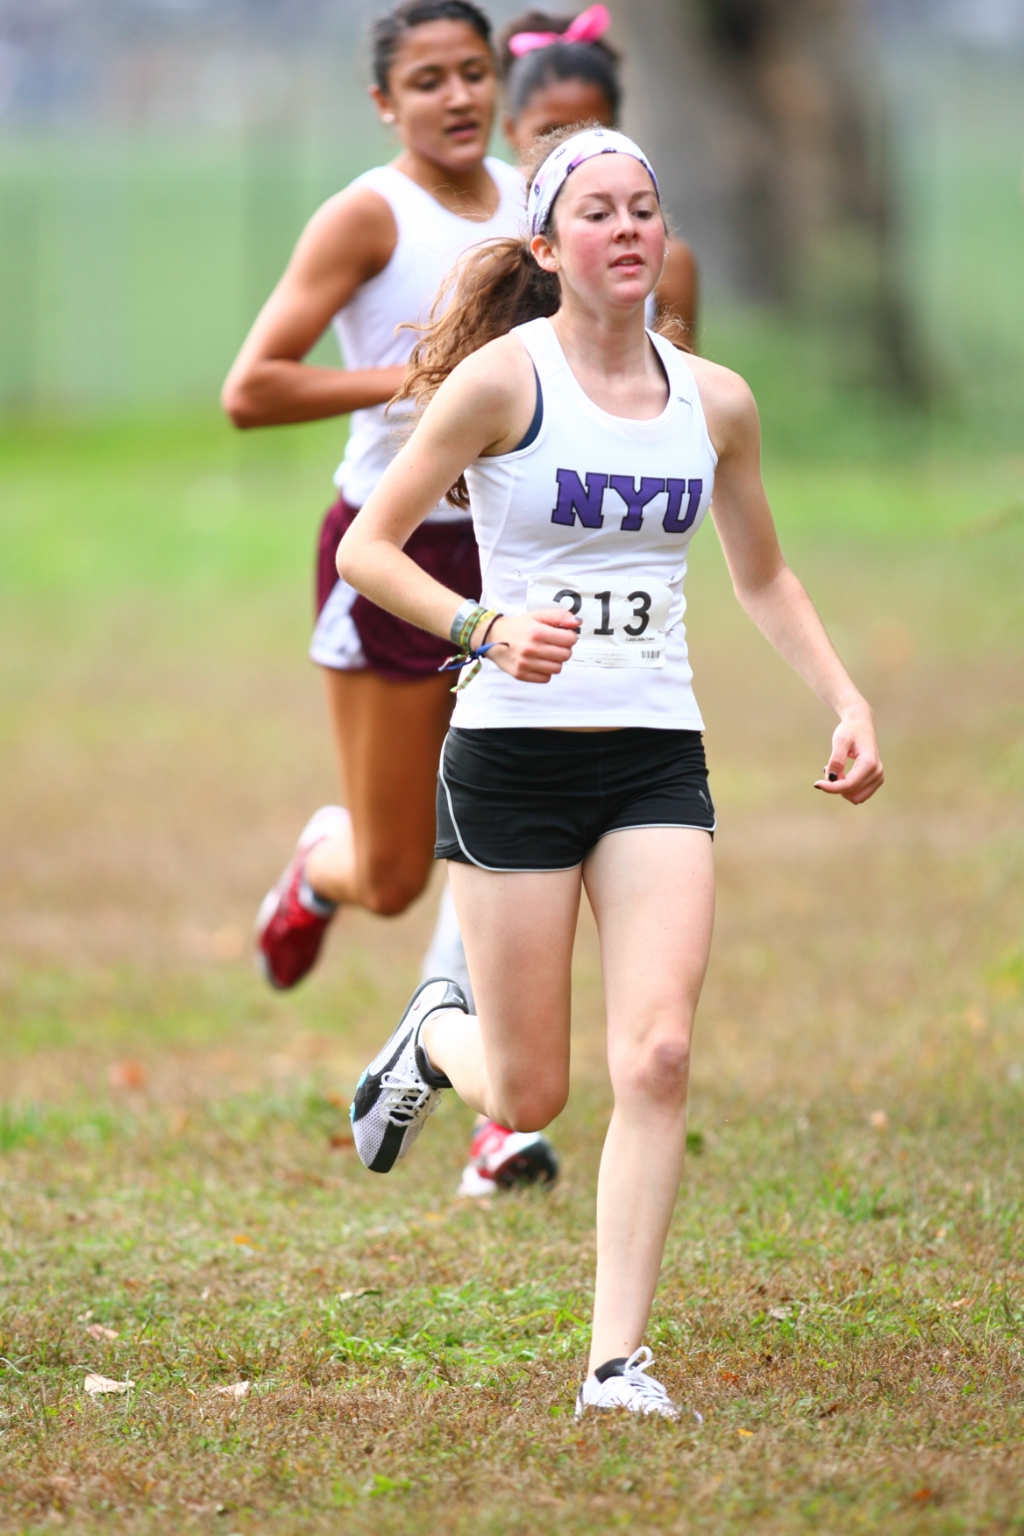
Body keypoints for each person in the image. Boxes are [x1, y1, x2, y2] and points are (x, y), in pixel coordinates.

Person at [336, 126, 884, 1417]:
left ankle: (615, 1361)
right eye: (598, 212)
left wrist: (848, 697)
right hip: (512, 760)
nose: (629, 228)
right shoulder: (500, 384)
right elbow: (372, 545)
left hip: (654, 756)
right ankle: (435, 1032)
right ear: (548, 246)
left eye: (645, 207)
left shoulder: (718, 400)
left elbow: (762, 572)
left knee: (662, 1057)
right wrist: (481, 627)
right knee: (532, 1092)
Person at [221, 0, 557, 1197]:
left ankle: (497, 1114)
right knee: (399, 870)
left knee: (514, 835)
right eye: (427, 81)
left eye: (472, 74)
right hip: (392, 555)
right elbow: (249, 388)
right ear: (384, 102)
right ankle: (322, 863)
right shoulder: (369, 214)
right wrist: (415, 377)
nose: (456, 98)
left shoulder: (537, 199)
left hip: (523, 561)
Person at [499, 5, 698, 340]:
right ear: (510, 130)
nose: (571, 150)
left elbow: (680, 380)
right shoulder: (481, 240)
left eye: (590, 130)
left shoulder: (664, 260)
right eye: (550, 132)